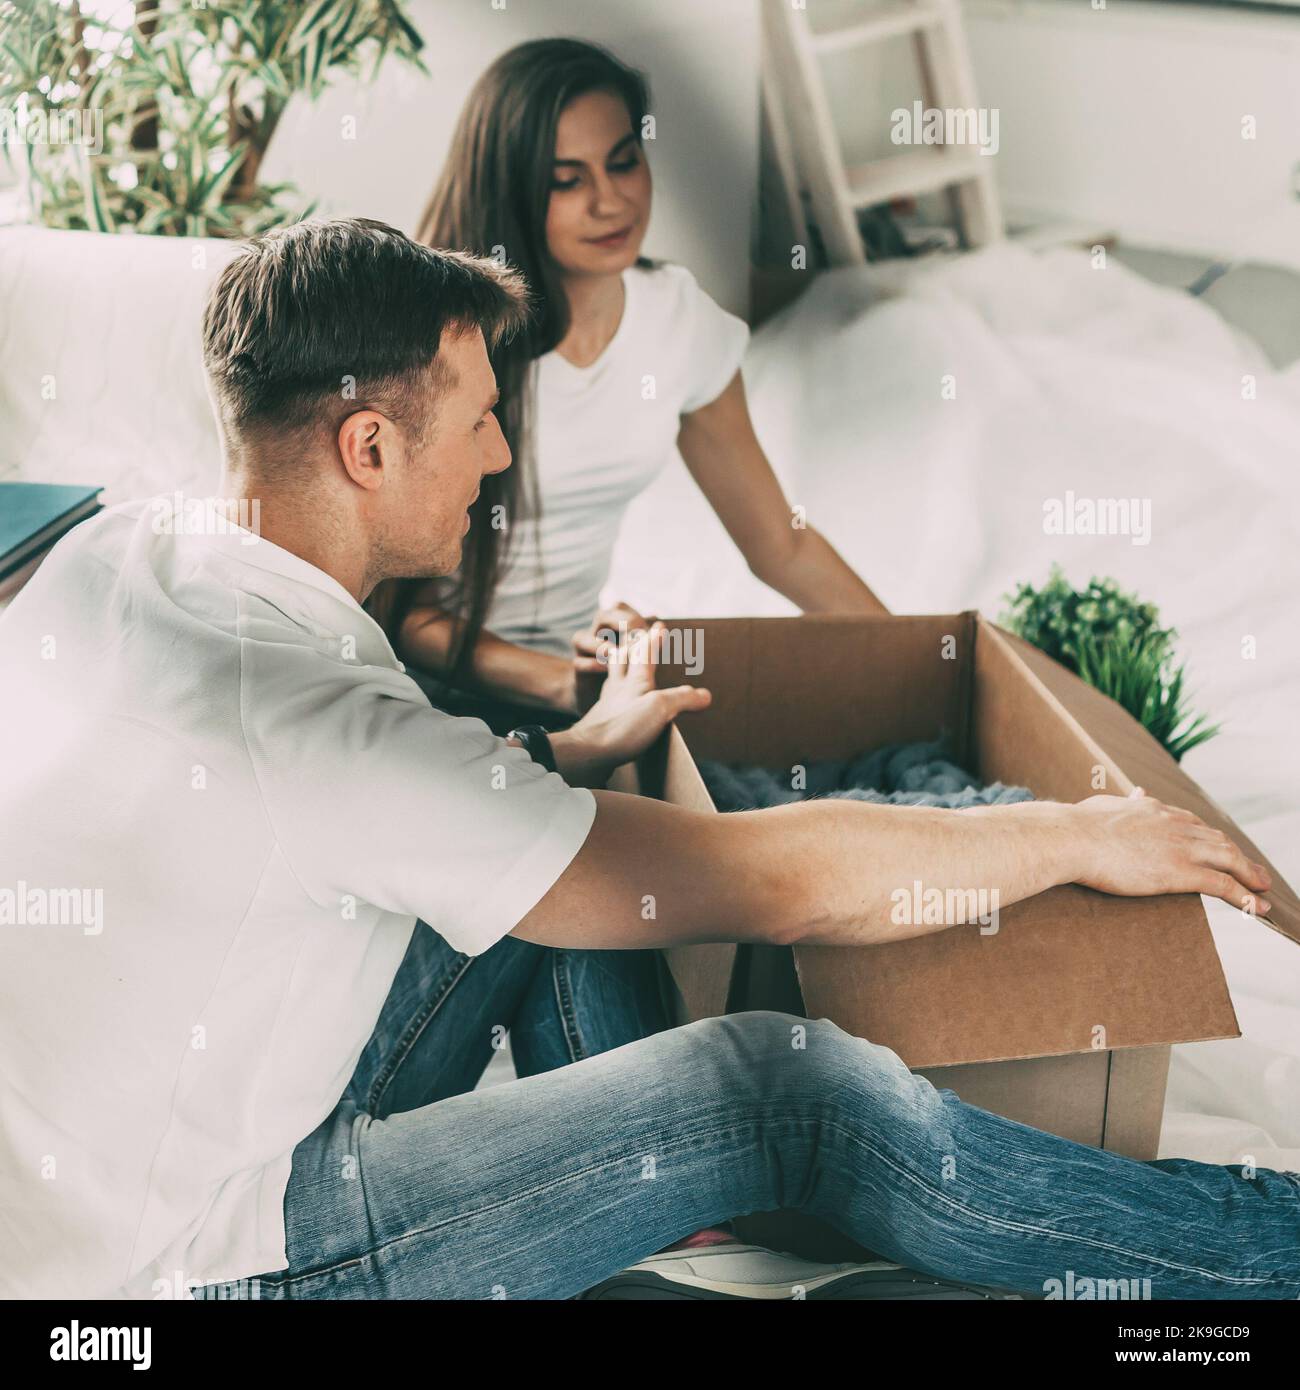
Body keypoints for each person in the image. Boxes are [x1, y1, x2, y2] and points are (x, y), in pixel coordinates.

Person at [1, 219, 1295, 1303]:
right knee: (783, 1091)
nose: (501, 455)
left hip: (94, 1171)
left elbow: (325, 797)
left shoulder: (115, 544)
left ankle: (647, 1209)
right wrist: (1077, 835)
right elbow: (766, 882)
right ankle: (1267, 1244)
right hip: (201, 1264)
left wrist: (561, 748)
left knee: (545, 802)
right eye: (474, 421)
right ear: (368, 446)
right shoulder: (337, 734)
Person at [367, 38, 887, 734]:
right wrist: (558, 684)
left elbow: (780, 545)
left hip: (580, 687)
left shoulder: (676, 319)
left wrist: (918, 661)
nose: (610, 201)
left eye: (623, 162)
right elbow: (395, 610)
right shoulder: (444, 344)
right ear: (512, 189)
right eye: (567, 180)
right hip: (427, 698)